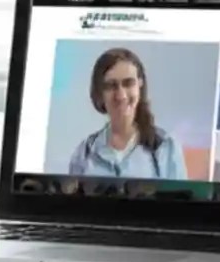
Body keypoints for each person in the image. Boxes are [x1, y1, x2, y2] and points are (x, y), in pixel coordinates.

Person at [67, 47, 187, 179]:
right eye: (111, 86)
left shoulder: (165, 147)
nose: (121, 95)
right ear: (99, 92)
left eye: (128, 83)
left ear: (140, 86)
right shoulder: (84, 153)